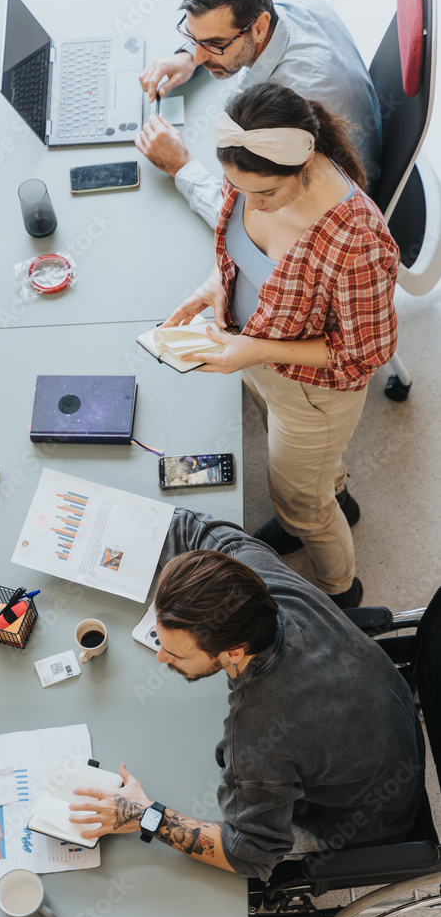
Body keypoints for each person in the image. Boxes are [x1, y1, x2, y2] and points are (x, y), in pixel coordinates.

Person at [68, 509, 424, 880]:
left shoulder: (260, 733)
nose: (160, 656)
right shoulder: (255, 575)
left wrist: (145, 816)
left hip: (365, 821)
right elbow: (187, 526)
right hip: (392, 728)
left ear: (233, 652)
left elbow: (250, 853)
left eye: (175, 652)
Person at [160, 82, 399, 608]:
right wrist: (212, 287)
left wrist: (259, 351)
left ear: (304, 162)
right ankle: (330, 492)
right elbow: (241, 248)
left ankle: (341, 588)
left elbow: (368, 353)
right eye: (239, 189)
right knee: (305, 471)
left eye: (265, 194)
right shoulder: (248, 169)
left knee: (299, 502)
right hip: (256, 355)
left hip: (314, 391)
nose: (252, 205)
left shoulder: (355, 238)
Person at [137, 0, 381, 227]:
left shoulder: (296, 107)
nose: (200, 56)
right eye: (193, 37)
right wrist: (188, 57)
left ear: (260, 27)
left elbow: (261, 223)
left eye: (215, 43)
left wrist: (180, 166)